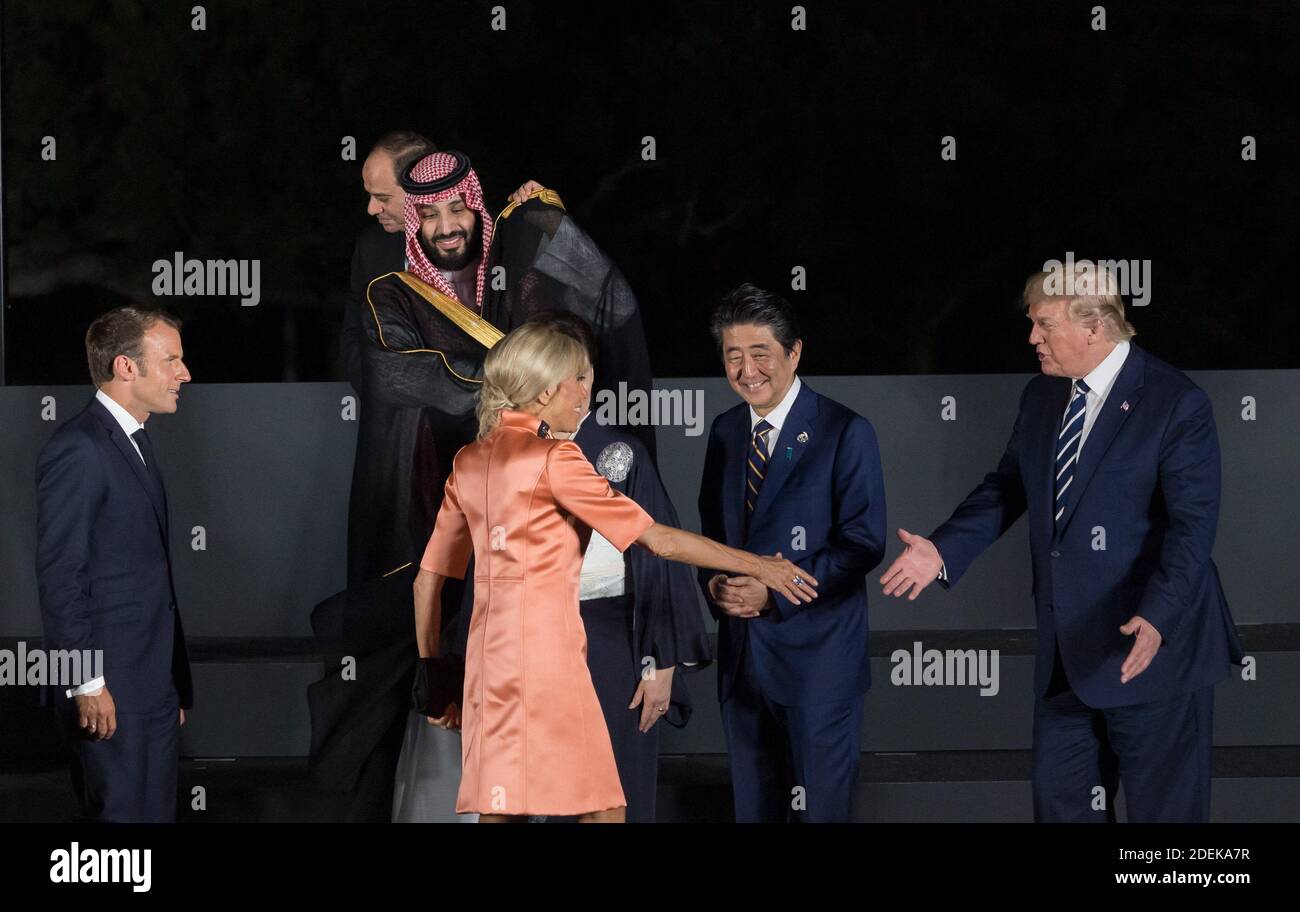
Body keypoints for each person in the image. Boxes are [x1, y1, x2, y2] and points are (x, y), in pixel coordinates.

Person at [309, 148, 654, 821]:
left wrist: (550, 223)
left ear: (476, 204)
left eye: (457, 208)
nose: (445, 226)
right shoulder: (393, 291)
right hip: (445, 511)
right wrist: (522, 373)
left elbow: (606, 304)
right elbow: (402, 378)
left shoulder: (517, 268)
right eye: (428, 215)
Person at [878, 264, 1244, 822]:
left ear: (1094, 325)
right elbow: (1007, 487)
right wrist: (944, 550)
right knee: (1060, 808)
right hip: (1067, 660)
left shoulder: (1175, 402)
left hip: (1153, 653)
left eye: (1044, 325)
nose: (1032, 339)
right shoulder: (1042, 397)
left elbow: (1191, 528)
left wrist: (1160, 617)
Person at [414, 322, 815, 822]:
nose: (588, 393)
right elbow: (660, 541)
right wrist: (763, 566)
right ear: (545, 391)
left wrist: (436, 675)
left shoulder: (469, 461)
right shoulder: (559, 457)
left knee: (504, 809)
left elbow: (428, 580)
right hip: (553, 665)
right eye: (578, 380)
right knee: (604, 807)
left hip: (488, 670)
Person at [697, 284, 887, 823]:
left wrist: (774, 590)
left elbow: (862, 543)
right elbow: (713, 535)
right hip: (741, 664)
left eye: (761, 353)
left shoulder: (846, 431)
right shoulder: (726, 431)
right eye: (734, 356)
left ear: (794, 352)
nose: (747, 369)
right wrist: (715, 586)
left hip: (818, 666)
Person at [525, 311, 711, 822]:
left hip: (611, 637)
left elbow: (662, 558)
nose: (570, 387)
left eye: (580, 374)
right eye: (554, 373)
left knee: (616, 789)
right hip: (529, 639)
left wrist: (662, 662)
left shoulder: (620, 455)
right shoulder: (502, 456)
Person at [35, 305, 194, 822]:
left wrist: (169, 687)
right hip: (108, 690)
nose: (183, 374)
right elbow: (62, 575)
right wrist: (86, 684)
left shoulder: (134, 440)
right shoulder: (79, 448)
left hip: (151, 689)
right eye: (170, 360)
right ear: (127, 368)